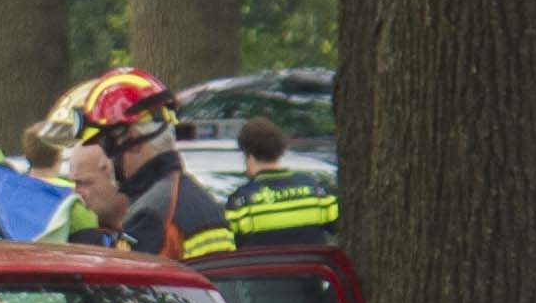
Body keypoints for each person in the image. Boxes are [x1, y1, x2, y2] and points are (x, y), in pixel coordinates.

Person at [71, 68, 237, 261]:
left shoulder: (152, 212)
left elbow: (134, 286)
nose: (104, 162)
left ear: (133, 140)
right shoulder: (200, 200)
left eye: (106, 147)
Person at [223, 118, 342, 249]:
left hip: (264, 269)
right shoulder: (314, 192)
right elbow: (341, 226)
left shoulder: (241, 203)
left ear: (248, 155)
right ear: (280, 151)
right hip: (311, 269)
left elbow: (226, 246)